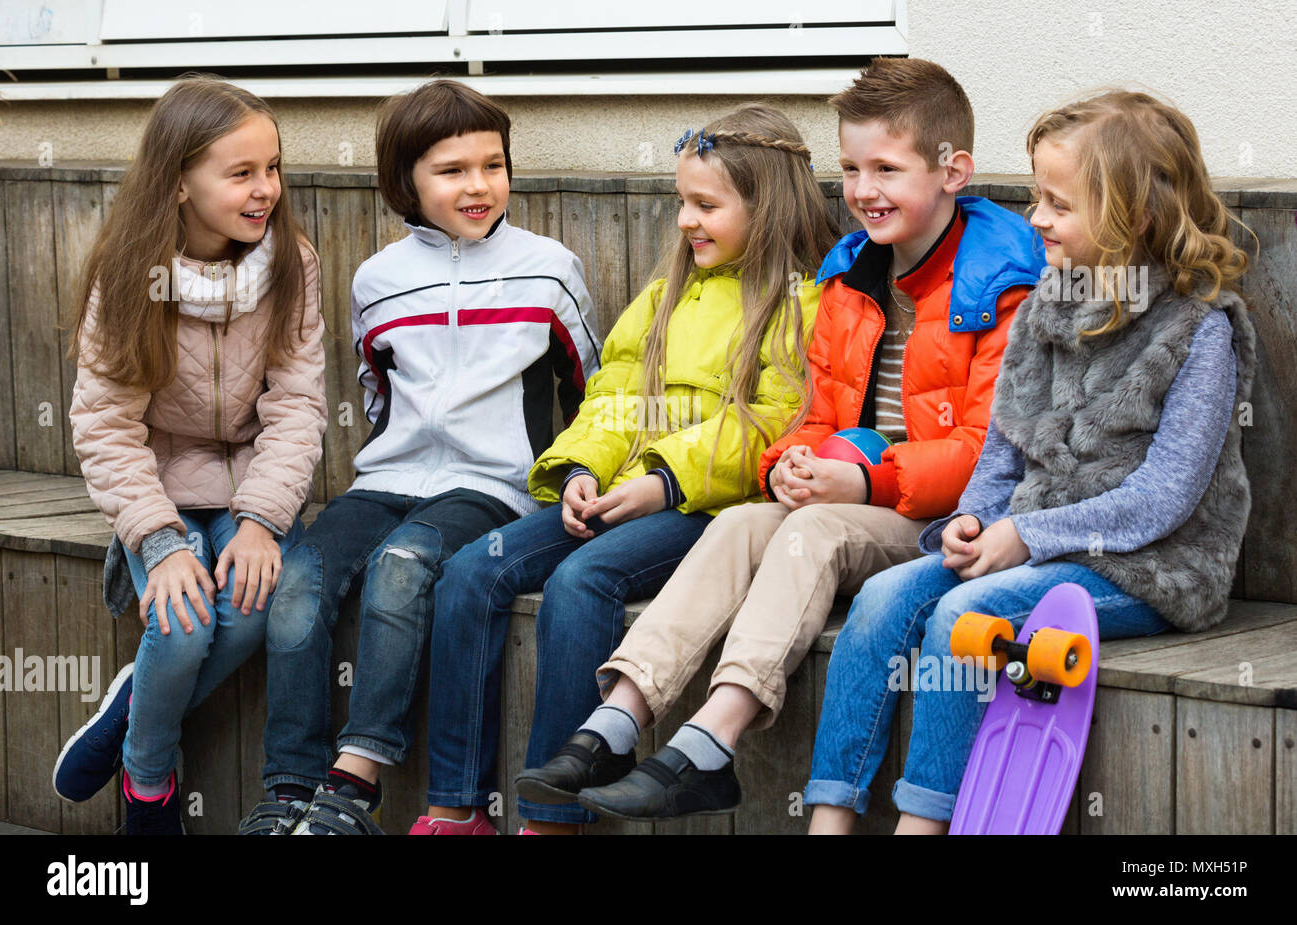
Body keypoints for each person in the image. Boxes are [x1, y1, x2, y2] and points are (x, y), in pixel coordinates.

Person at [523, 58, 1043, 822]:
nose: (864, 190)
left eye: (887, 169)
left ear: (953, 170)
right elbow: (813, 416)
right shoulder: (850, 277)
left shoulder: (1000, 284)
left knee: (813, 528)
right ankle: (616, 718)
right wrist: (790, 463)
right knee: (739, 521)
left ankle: (710, 741)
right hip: (849, 491)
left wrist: (861, 484)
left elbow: (987, 447)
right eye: (852, 168)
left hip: (941, 518)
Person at [807, 89, 1256, 835]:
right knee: (886, 598)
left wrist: (1026, 537)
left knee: (962, 615)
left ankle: (922, 826)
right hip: (1031, 544)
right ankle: (829, 820)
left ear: (1133, 215)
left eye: (1057, 204)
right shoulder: (1049, 301)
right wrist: (975, 519)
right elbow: (1004, 444)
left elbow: (1163, 497)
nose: (1034, 219)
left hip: (1150, 568)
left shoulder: (1198, 329)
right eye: (1036, 198)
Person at [415, 103, 837, 834]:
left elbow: (769, 421)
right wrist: (582, 466)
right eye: (682, 202)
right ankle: (454, 807)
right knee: (469, 572)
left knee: (585, 579)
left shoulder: (802, 301)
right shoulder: (669, 288)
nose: (684, 221)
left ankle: (550, 816)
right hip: (623, 488)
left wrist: (662, 481)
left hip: (703, 507)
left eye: (705, 206)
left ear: (764, 208)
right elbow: (612, 391)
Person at [236, 79, 600, 835]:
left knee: (403, 565)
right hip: (389, 478)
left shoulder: (548, 269)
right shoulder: (378, 280)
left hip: (493, 486)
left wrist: (569, 475)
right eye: (452, 170)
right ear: (406, 181)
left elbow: (590, 390)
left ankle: (354, 781)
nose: (479, 185)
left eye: (492, 165)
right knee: (298, 574)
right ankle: (290, 786)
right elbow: (380, 396)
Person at [53, 76, 327, 835]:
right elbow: (107, 425)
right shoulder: (128, 275)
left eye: (272, 167)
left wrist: (263, 522)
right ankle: (150, 783)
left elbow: (298, 406)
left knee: (246, 608)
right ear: (178, 181)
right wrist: (160, 539)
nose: (264, 188)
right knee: (181, 621)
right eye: (240, 173)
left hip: (254, 485)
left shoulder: (291, 267)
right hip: (160, 485)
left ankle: (136, 711)